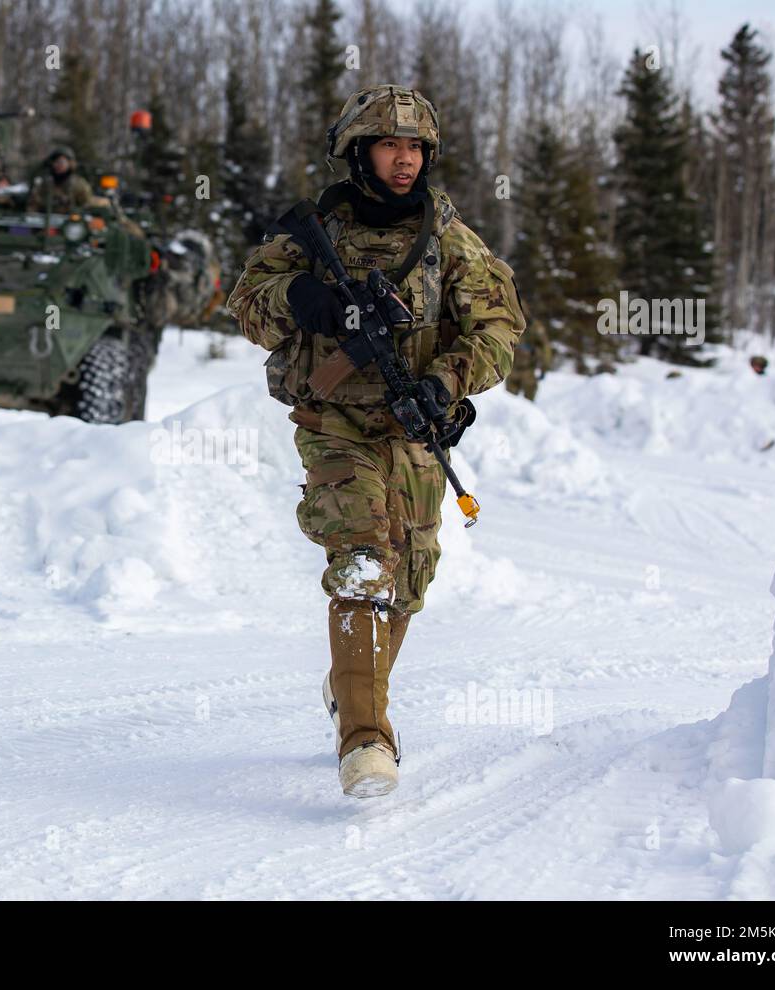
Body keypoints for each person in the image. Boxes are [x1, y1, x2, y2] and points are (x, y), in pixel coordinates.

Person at [227, 85, 526, 798]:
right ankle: (365, 740)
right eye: (391, 146)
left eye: (416, 148)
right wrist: (307, 298)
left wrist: (445, 382)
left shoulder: (446, 235)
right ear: (358, 152)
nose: (405, 160)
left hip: (414, 427)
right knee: (363, 563)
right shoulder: (312, 231)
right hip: (336, 426)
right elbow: (246, 306)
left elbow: (500, 327)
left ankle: (350, 682)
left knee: (409, 582)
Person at [26, 145, 94, 213]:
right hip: (44, 220)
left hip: (70, 220)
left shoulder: (79, 184)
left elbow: (86, 204)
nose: (58, 165)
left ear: (70, 164)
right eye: (56, 162)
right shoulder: (44, 183)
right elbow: (33, 205)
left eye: (62, 162)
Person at [505, 318, 552, 400]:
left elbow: (545, 350)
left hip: (527, 369)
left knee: (527, 403)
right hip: (514, 369)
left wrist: (544, 367)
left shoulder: (536, 328)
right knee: (509, 400)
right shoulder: (512, 322)